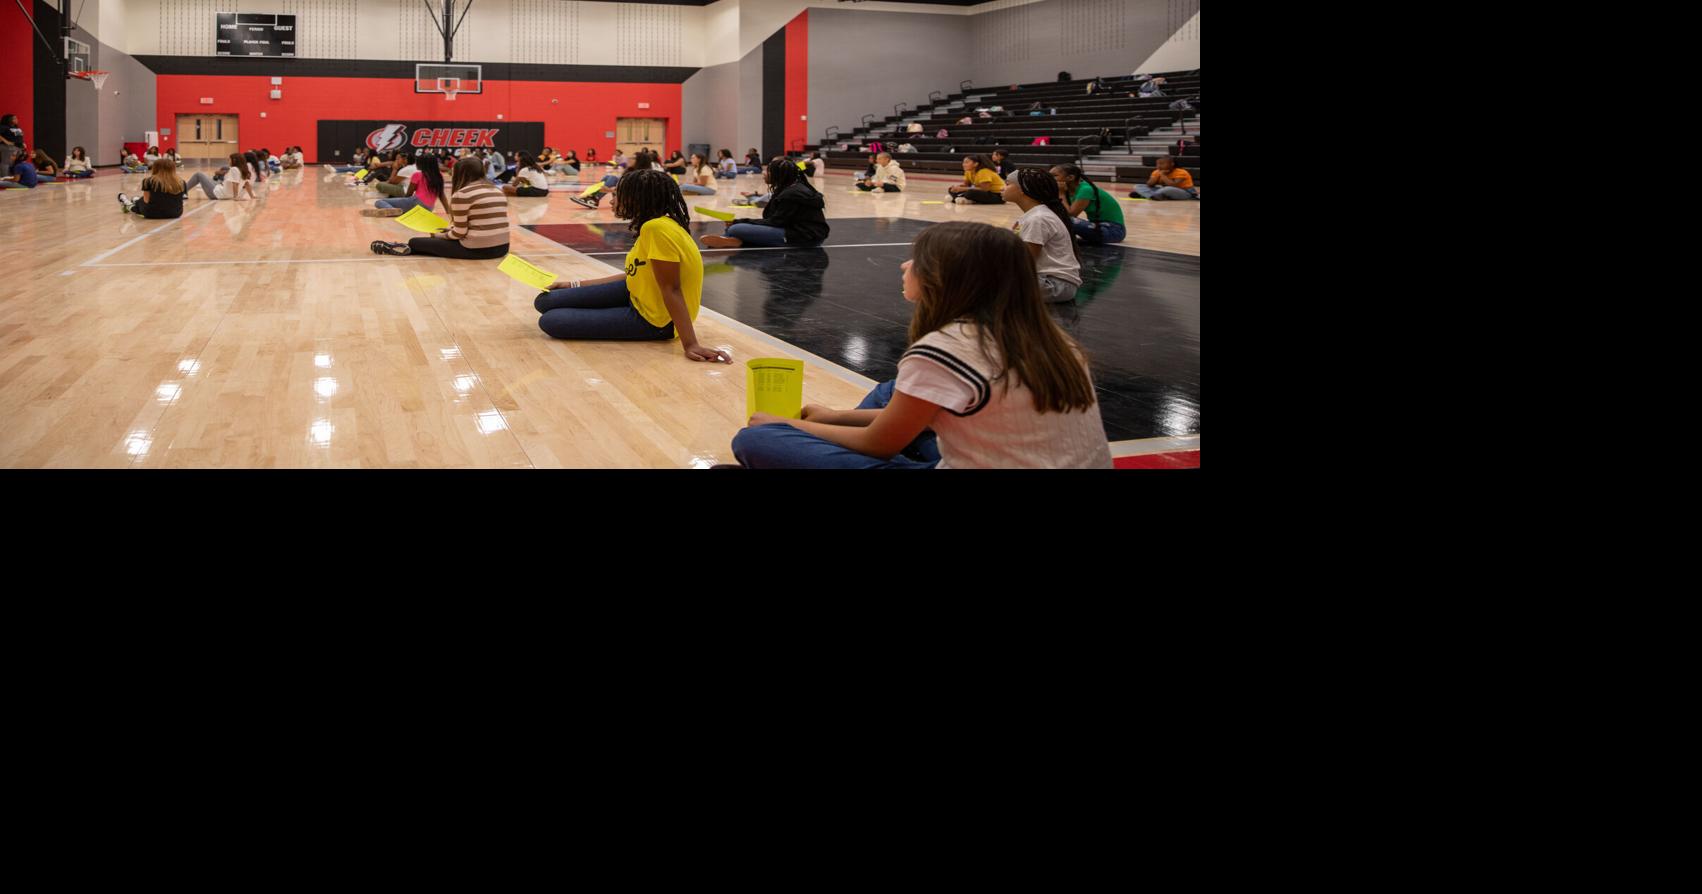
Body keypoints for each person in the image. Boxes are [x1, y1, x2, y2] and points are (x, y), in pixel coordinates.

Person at [729, 222, 1112, 469]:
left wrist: (790, 424)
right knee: (892, 391)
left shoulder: (945, 348)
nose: (904, 266)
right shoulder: (1052, 338)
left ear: (945, 278)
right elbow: (927, 417)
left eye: (916, 260)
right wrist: (833, 416)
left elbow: (877, 444)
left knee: (758, 439)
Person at [532, 168, 732, 363]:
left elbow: (672, 288)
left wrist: (691, 344)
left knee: (551, 320)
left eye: (617, 195)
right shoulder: (656, 223)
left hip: (656, 319)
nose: (612, 200)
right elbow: (634, 274)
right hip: (637, 292)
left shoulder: (656, 229)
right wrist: (572, 284)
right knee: (545, 301)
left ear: (637, 199)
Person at [371, 156, 510, 259]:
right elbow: (479, 224)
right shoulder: (497, 190)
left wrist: (438, 236)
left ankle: (405, 247)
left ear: (460, 174)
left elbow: (459, 234)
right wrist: (450, 230)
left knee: (416, 242)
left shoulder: (462, 194)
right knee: (438, 241)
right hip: (502, 248)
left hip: (477, 249)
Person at [702, 158, 828, 249]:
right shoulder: (789, 189)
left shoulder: (791, 194)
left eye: (768, 172)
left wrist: (741, 221)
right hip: (798, 233)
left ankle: (732, 239)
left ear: (778, 175)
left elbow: (776, 222)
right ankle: (731, 240)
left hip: (803, 239)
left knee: (736, 229)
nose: (764, 174)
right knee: (736, 228)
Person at [1002, 169, 1081, 304]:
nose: (1002, 188)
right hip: (1047, 280)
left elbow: (1026, 260)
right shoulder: (1034, 215)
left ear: (1023, 189)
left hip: (1055, 285)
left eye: (1008, 184)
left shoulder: (1038, 219)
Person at [1050, 164, 1125, 245]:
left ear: (1070, 177)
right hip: (1096, 226)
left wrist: (1061, 194)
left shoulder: (1085, 189)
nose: (1050, 178)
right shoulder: (1068, 190)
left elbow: (1071, 214)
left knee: (1068, 220)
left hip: (1113, 230)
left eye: (1054, 176)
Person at [363, 153, 447, 216]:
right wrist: (449, 212)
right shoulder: (439, 176)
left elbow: (409, 193)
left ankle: (392, 210)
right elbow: (442, 196)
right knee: (405, 205)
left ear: (423, 164)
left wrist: (403, 201)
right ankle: (401, 211)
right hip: (429, 208)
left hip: (416, 202)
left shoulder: (417, 175)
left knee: (379, 202)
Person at [117, 157, 187, 218]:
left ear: (155, 168)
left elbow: (146, 201)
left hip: (151, 214)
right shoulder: (181, 182)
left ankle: (127, 203)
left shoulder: (148, 181)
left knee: (139, 203)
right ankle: (135, 200)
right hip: (176, 213)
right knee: (140, 201)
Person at [183, 152, 255, 200]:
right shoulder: (243, 170)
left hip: (217, 194)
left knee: (198, 175)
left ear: (234, 160)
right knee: (210, 179)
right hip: (223, 190)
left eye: (229, 160)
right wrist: (252, 196)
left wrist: (236, 197)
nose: (228, 161)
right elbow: (247, 184)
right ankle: (184, 190)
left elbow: (235, 184)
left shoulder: (234, 169)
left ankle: (182, 191)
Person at [1132, 156, 1198, 200]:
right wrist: (1156, 176)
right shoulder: (1156, 172)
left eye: (1162, 164)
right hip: (1163, 190)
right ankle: (1153, 196)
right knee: (1138, 186)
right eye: (1157, 164)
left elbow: (1173, 185)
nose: (1159, 166)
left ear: (1172, 164)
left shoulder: (1181, 172)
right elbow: (1149, 184)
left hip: (1186, 193)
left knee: (1167, 189)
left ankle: (1145, 195)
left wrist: (1162, 175)